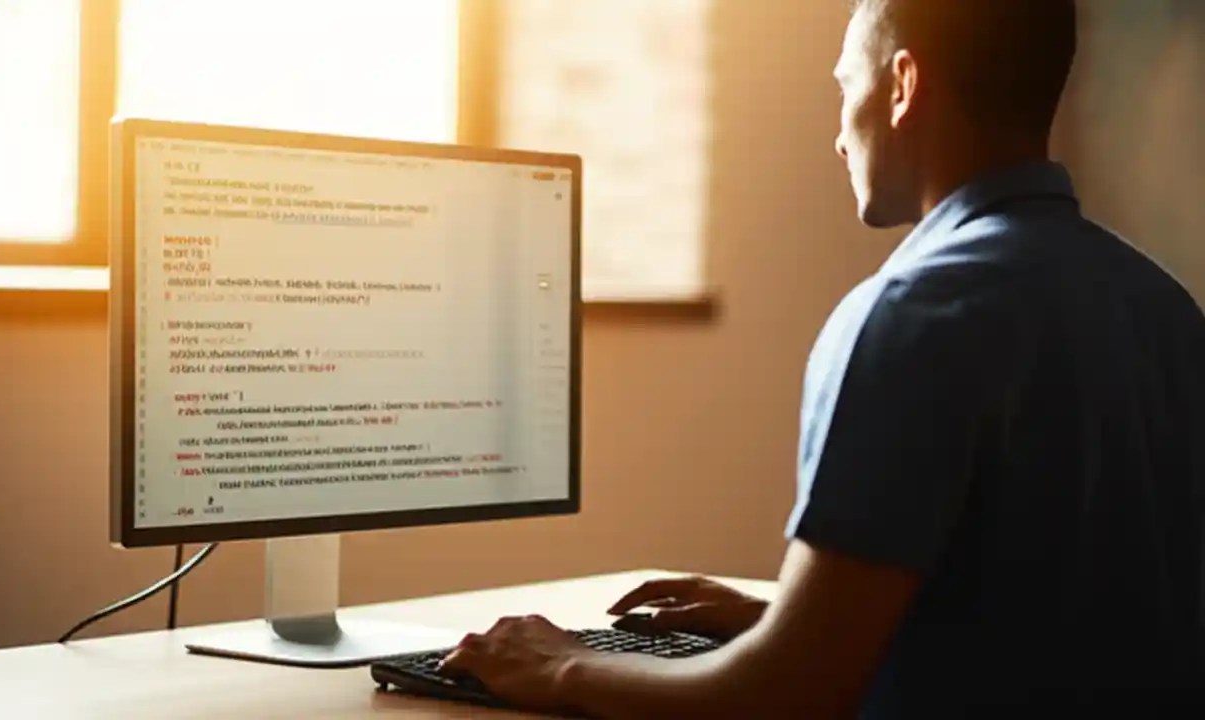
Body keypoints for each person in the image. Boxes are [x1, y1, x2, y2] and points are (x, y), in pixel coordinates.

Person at [439, 0, 1205, 716]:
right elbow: (1061, 627)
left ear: (902, 85)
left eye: (847, 87)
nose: (840, 134)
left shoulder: (914, 314)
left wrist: (557, 663)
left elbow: (786, 695)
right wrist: (795, 616)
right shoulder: (1167, 309)